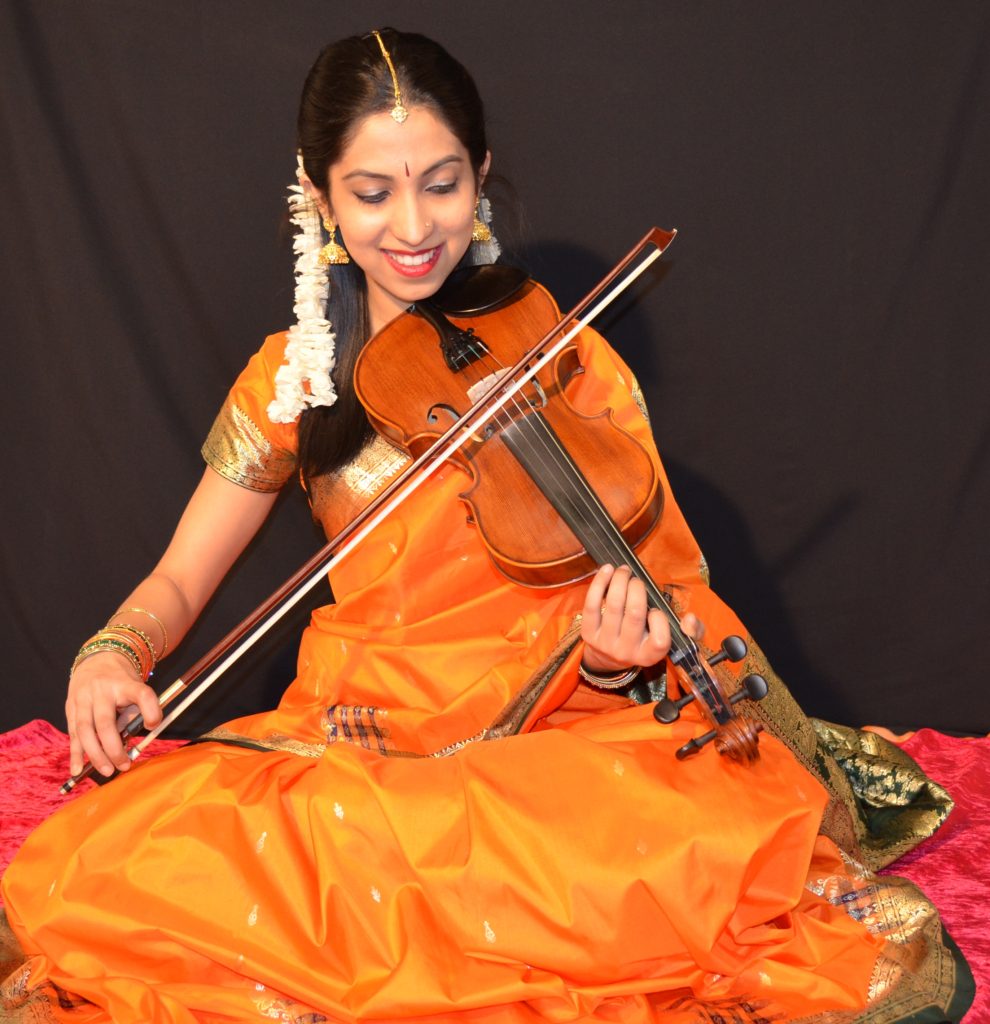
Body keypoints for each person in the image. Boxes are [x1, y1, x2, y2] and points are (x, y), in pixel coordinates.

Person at [0, 28, 973, 1024]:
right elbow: (175, 584)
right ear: (320, 198)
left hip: (556, 743)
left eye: (443, 183)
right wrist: (115, 652)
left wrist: (611, 660)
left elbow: (665, 588)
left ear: (483, 176)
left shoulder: (563, 357)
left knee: (645, 854)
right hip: (363, 739)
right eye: (373, 192)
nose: (415, 224)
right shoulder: (293, 378)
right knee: (124, 864)